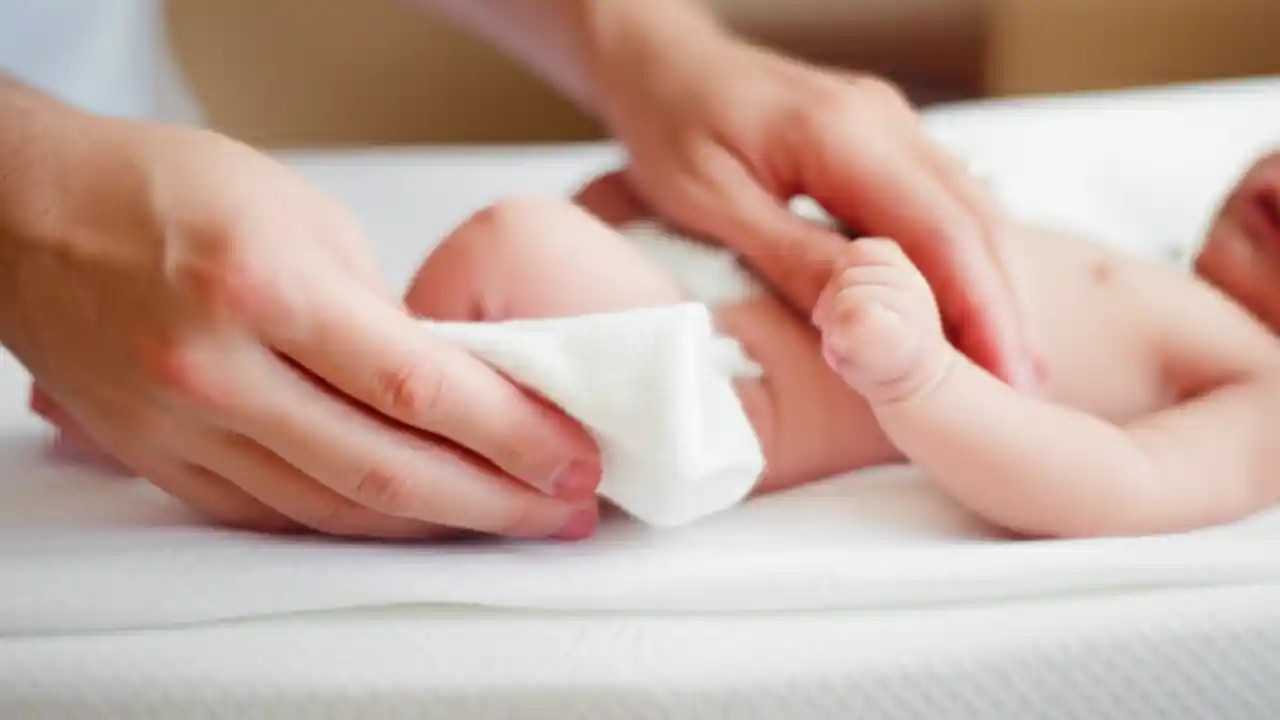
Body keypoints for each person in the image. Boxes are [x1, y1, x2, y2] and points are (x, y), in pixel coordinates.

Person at [2, 0, 1031, 540]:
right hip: (113, 216)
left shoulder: (1190, 343)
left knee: (402, 378)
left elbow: (1118, 485)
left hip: (158, 224)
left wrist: (637, 37)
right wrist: (24, 196)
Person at [392, 151, 1280, 537]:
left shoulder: (1262, 380)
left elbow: (1122, 485)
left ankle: (364, 435)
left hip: (717, 373)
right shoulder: (1146, 262)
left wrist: (924, 380)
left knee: (512, 246)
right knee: (567, 222)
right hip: (694, 280)